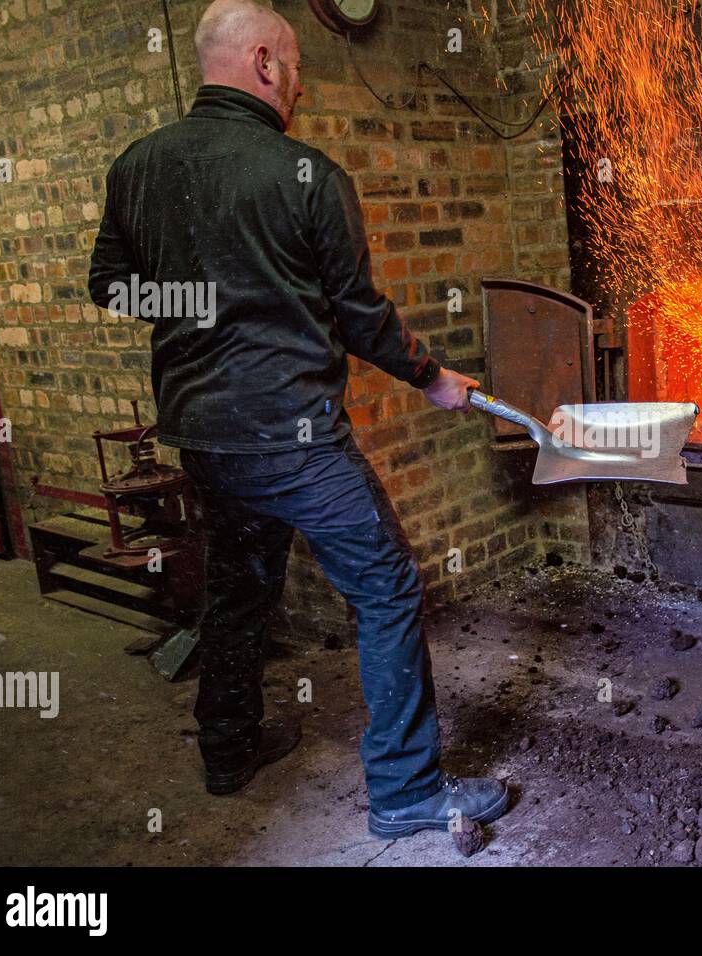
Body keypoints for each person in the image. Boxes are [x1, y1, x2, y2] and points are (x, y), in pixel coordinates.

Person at [87, 0, 509, 839]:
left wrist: (194, 300)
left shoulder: (138, 165)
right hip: (298, 445)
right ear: (265, 63)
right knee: (386, 588)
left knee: (240, 590)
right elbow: (358, 315)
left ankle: (228, 748)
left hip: (203, 437)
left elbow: (109, 286)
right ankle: (405, 792)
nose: (301, 85)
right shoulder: (306, 175)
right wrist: (430, 377)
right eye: (298, 67)